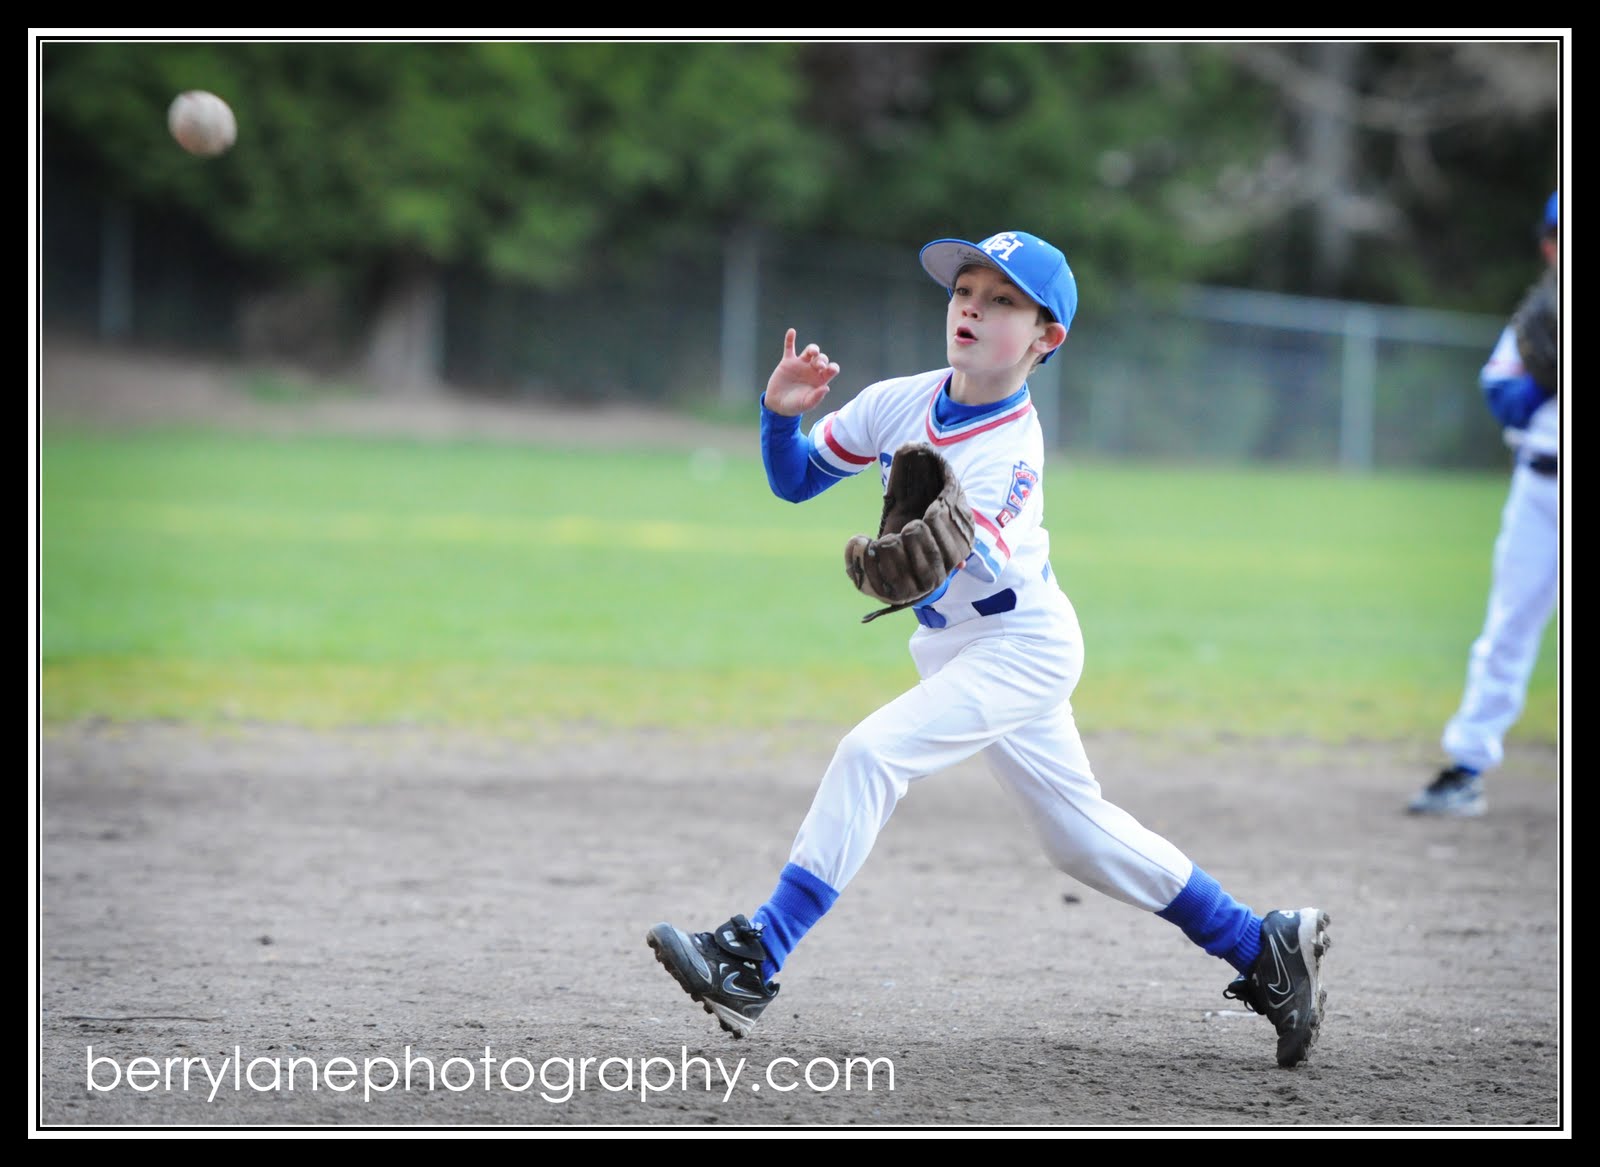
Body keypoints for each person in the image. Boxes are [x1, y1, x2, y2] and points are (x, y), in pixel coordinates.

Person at [646, 229, 1332, 1069]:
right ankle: (1264, 948)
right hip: (958, 647)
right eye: (964, 291)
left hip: (1020, 645)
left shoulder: (1014, 449)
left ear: (1048, 337)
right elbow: (795, 480)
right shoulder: (899, 400)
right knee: (1079, 839)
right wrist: (779, 414)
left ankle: (755, 956)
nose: (972, 308)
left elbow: (973, 557)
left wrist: (933, 558)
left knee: (870, 753)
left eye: (1003, 301)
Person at [1409, 192, 1560, 817]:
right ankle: (1467, 766)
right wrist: (1548, 377)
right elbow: (1503, 398)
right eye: (1557, 235)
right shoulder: (1539, 315)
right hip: (1539, 491)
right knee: (1506, 630)